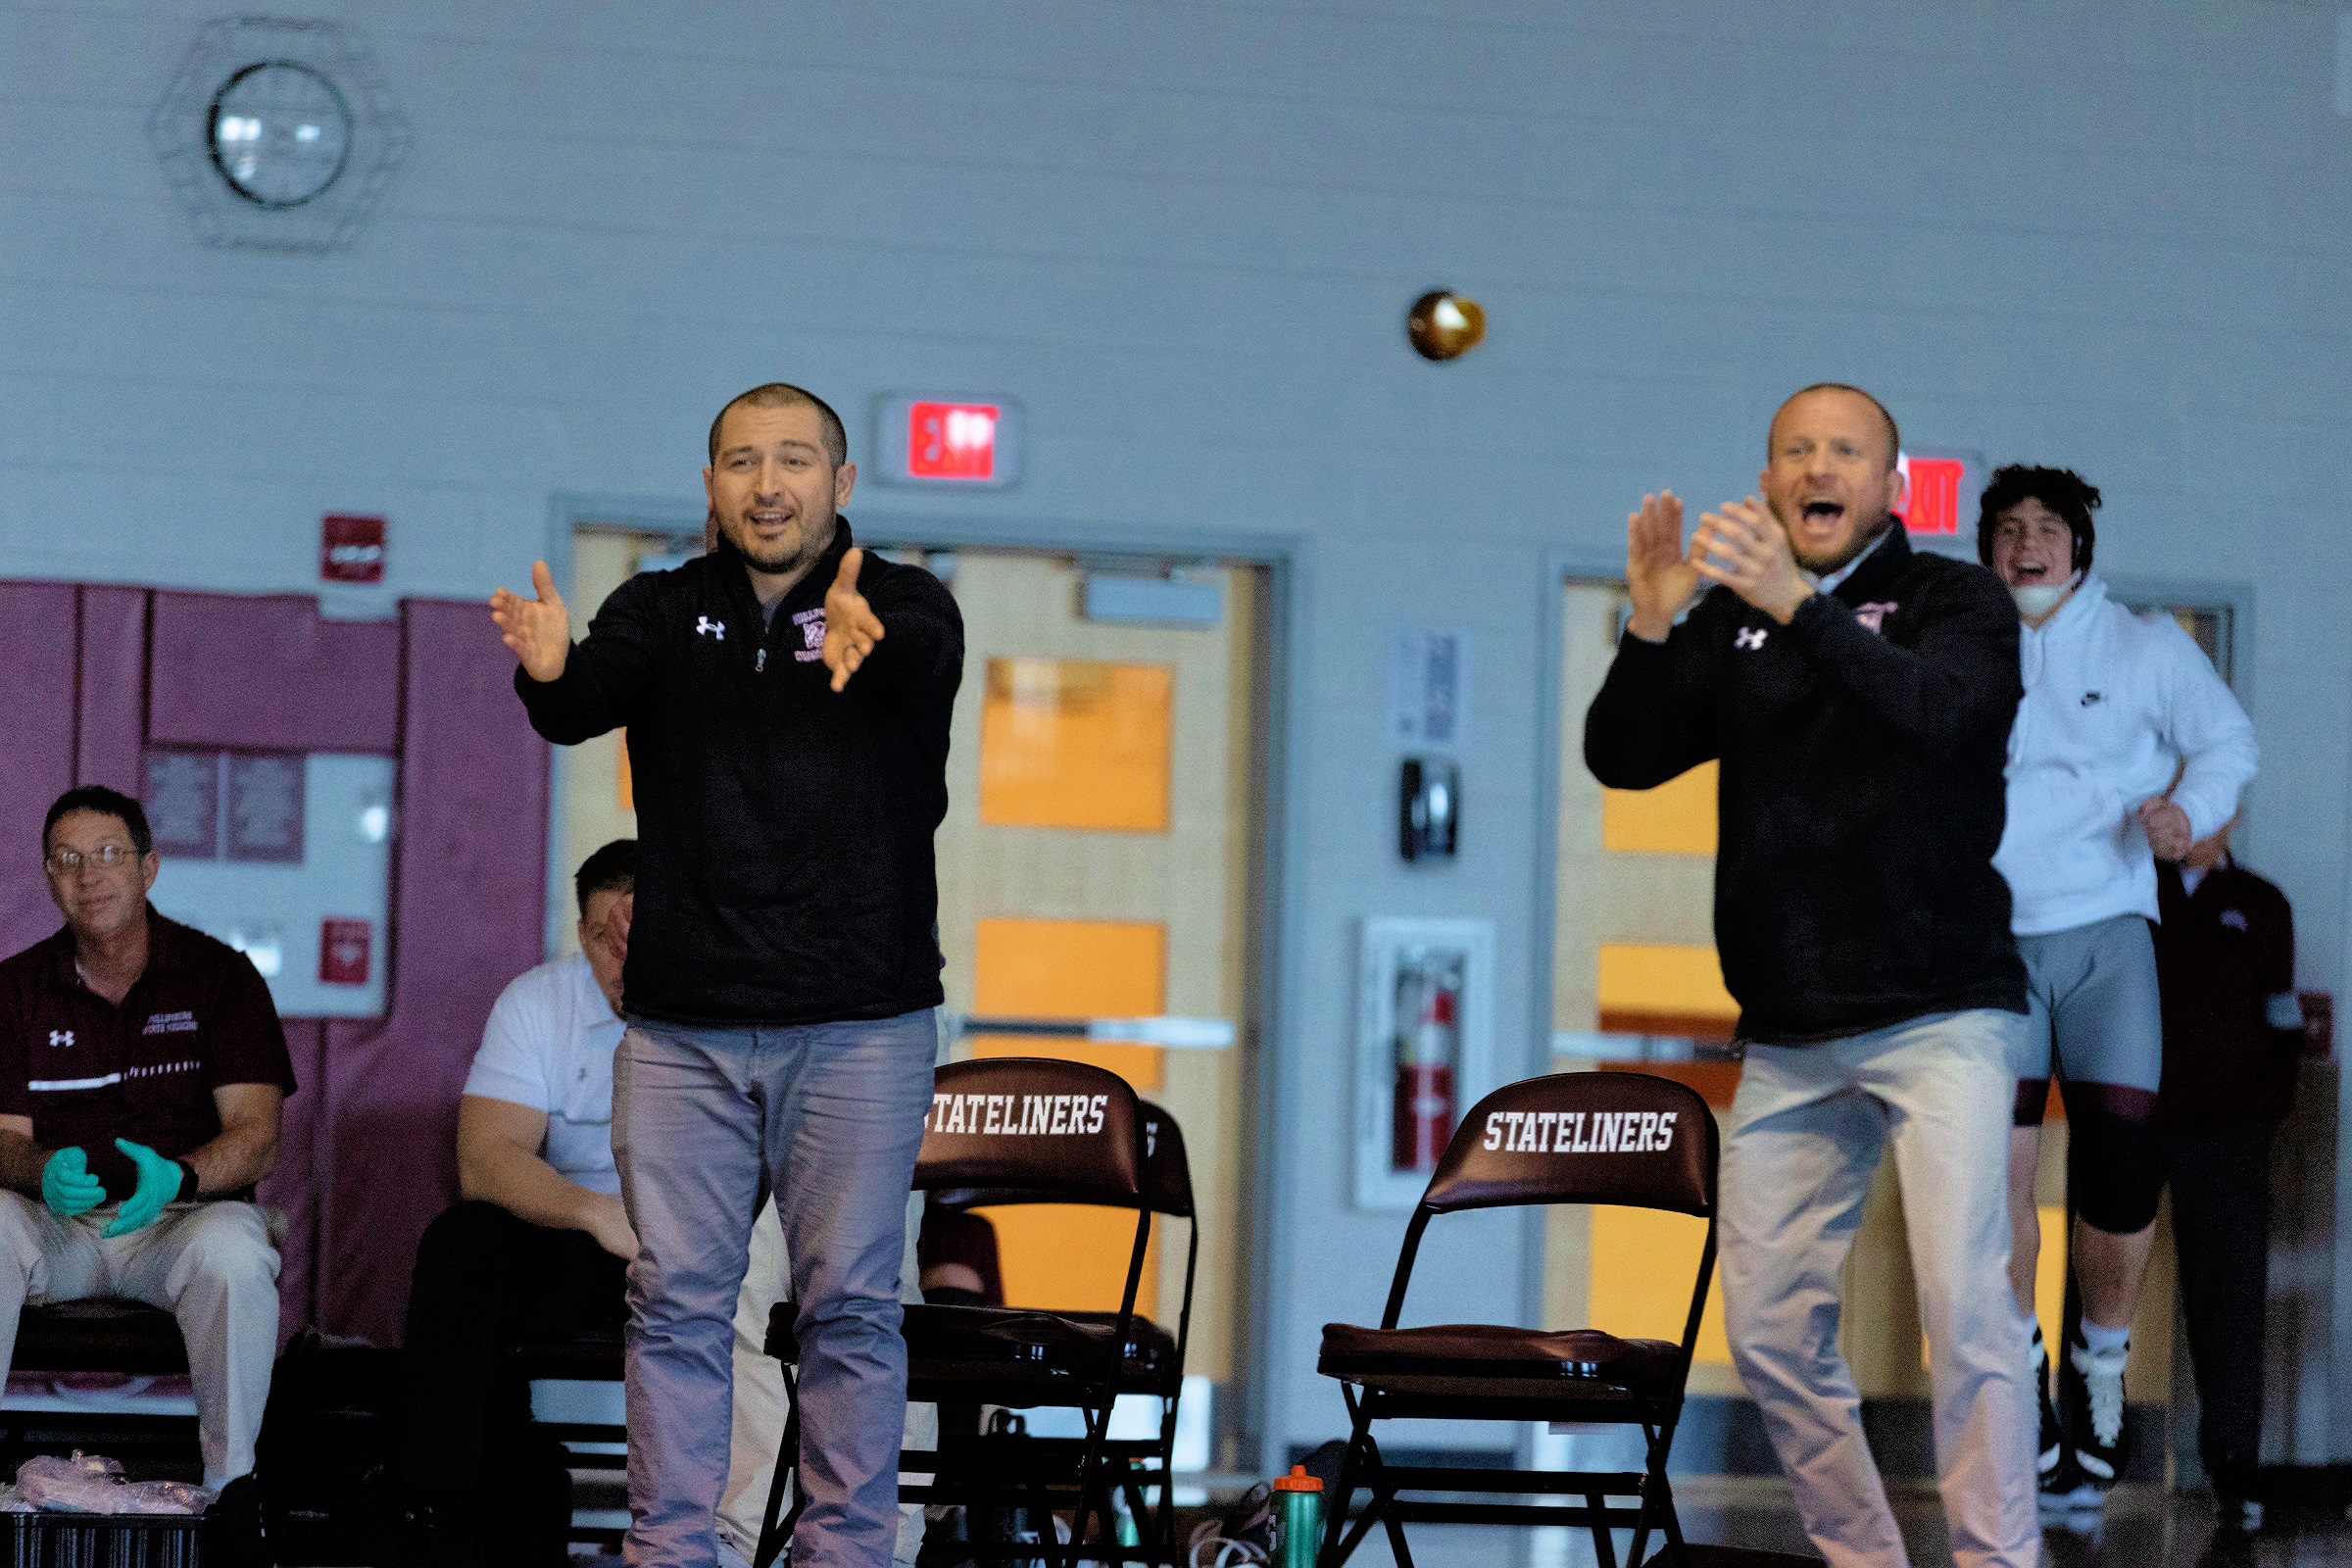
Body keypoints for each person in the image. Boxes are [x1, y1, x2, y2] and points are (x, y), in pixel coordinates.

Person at [492, 382, 964, 1568]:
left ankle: (845, 1556)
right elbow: (579, 702)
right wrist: (547, 671)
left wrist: (868, 641)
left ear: (840, 483)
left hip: (859, 1024)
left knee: (850, 1309)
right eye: (743, 460)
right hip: (685, 1029)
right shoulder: (660, 609)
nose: (768, 483)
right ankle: (672, 1553)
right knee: (677, 1305)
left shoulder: (904, 603)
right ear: (710, 484)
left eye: (795, 459)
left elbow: (922, 660)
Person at [1585, 384, 2036, 1568]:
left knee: (1966, 1306)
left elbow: (1938, 716)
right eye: (1796, 449)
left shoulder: (1956, 601)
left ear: (1892, 485)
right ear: (1768, 481)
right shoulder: (1734, 617)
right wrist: (1650, 626)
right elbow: (1624, 758)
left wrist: (1799, 607)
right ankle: (1862, 1558)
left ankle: (1999, 1559)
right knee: (1772, 1328)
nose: (1817, 466)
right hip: (1791, 1028)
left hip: (1942, 1011)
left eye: (1844, 450)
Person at [1978, 466, 2257, 1501]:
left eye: (2047, 528)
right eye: (2009, 529)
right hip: (1989, 942)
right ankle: (2019, 1365)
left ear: (2081, 548)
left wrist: (2191, 812)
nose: (2028, 545)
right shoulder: (1959, 641)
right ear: (1987, 548)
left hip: (2106, 939)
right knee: (1994, 1176)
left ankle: (2101, 1361)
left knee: (2120, 1171)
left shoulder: (2145, 646)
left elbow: (2229, 741)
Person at [397, 840, 787, 1566]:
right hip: (593, 1237)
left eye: (640, 935)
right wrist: (594, 1214)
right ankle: (440, 1510)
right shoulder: (539, 1002)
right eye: (607, 937)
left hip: (710, 1244)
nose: (622, 957)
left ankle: (735, 1529)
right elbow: (485, 1160)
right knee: (463, 1243)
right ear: (581, 934)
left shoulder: (734, 1003)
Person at [0, 786, 295, 1492]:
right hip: (55, 1226)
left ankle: (232, 1493)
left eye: (108, 854)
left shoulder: (221, 977)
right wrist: (39, 1170)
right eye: (67, 859)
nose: (88, 875)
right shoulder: (13, 989)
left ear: (149, 868)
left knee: (237, 1255)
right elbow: (3, 1140)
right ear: (49, 878)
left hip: (179, 1223)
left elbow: (258, 1138)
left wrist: (179, 1177)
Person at [2151, 821, 2299, 1532]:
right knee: (2099, 1280)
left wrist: (2261, 1115)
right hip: (2133, 1120)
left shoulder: (2261, 904)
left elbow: (2282, 1019)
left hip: (2228, 1133)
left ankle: (2235, 1462)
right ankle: (2080, 1453)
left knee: (2231, 1299)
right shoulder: (2131, 894)